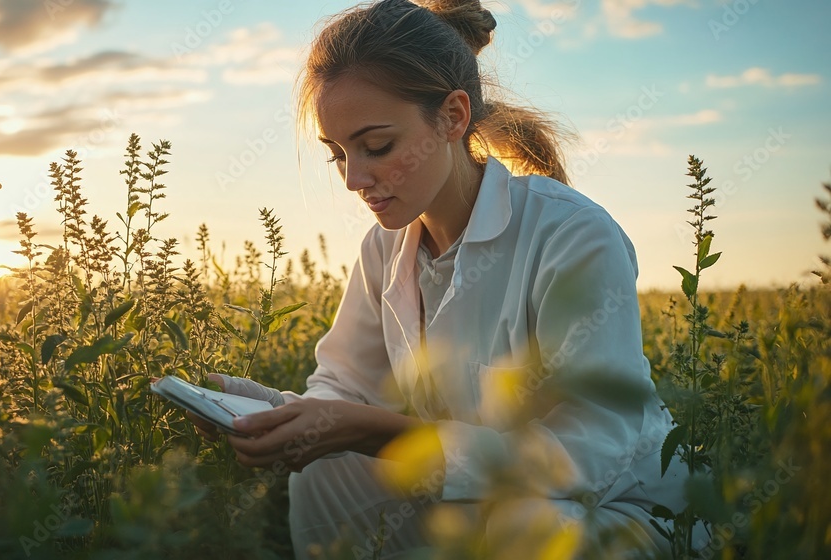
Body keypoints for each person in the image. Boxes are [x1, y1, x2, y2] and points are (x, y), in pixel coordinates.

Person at [194, 0, 691, 557]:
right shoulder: (386, 245)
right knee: (323, 470)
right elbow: (343, 388)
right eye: (338, 154)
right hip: (470, 506)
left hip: (613, 514)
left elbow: (588, 454)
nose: (356, 178)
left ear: (453, 117)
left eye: (377, 146)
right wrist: (271, 412)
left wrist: (375, 433)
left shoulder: (573, 234)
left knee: (526, 525)